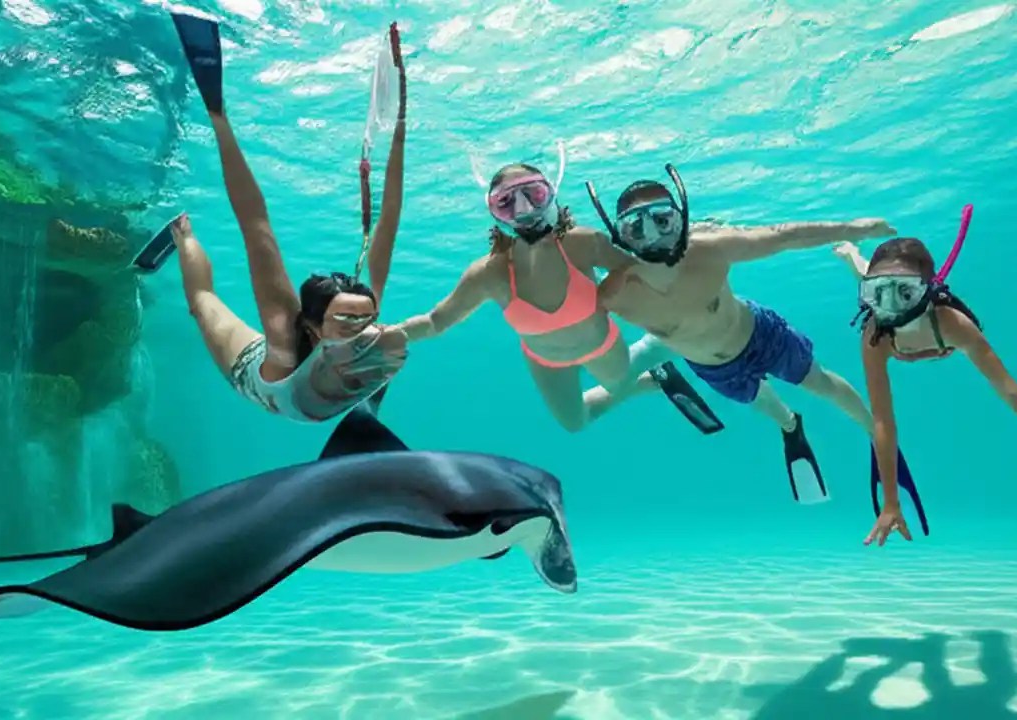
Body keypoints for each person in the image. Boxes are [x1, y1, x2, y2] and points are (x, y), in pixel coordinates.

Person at [131, 12, 408, 422]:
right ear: (312, 329)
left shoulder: (374, 339)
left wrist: (400, 125)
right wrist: (219, 120)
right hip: (253, 378)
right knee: (201, 302)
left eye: (365, 318)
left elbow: (388, 223)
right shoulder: (286, 339)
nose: (362, 326)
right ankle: (182, 234)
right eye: (347, 319)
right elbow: (255, 225)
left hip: (311, 399)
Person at [586, 164, 894, 503]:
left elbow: (783, 236)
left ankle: (874, 431)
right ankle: (791, 425)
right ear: (620, 236)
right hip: (715, 368)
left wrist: (855, 229)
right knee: (769, 408)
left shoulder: (709, 248)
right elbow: (565, 326)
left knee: (818, 382)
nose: (654, 236)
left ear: (681, 218)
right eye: (636, 227)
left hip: (761, 335)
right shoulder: (613, 292)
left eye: (662, 220)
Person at [387, 158, 722, 434]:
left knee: (618, 381)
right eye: (507, 201)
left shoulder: (584, 243)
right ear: (494, 213)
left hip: (600, 345)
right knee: (575, 423)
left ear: (552, 196)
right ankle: (650, 380)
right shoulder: (488, 273)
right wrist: (382, 336)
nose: (523, 208)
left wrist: (692, 247)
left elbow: (644, 269)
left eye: (533, 194)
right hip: (546, 361)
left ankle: (651, 355)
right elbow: (435, 321)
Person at [834, 209, 1017, 547]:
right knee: (861, 271)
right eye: (877, 294)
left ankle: (864, 267)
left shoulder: (951, 324)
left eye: (905, 294)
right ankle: (853, 256)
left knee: (880, 277)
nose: (889, 306)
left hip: (933, 320)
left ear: (927, 290)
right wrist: (890, 502)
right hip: (894, 305)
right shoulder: (877, 335)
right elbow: (883, 422)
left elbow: (1008, 388)